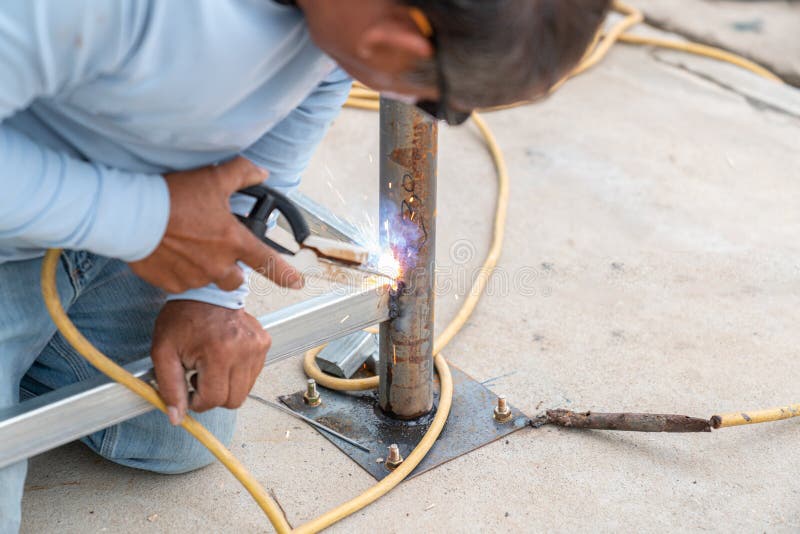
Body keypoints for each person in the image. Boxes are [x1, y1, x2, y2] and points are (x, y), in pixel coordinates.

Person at [0, 0, 609, 530]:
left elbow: (290, 118)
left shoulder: (338, 22)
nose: (422, 107)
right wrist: (146, 218)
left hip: (109, 218)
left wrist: (212, 295)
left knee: (177, 431)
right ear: (392, 42)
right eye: (444, 103)